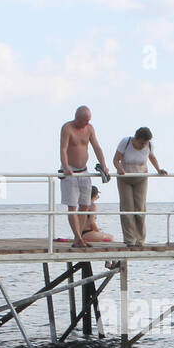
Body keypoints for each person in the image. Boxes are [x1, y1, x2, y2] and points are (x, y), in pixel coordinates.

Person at [59, 105, 109, 248]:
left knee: (85, 205)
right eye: (85, 121)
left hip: (84, 171)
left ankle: (78, 237)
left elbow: (96, 147)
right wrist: (66, 166)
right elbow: (63, 148)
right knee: (72, 206)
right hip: (71, 171)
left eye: (89, 120)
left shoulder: (89, 129)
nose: (87, 123)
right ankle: (78, 238)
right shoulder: (67, 128)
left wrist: (103, 164)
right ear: (77, 118)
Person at [112, 126, 167, 249]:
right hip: (125, 178)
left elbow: (152, 157)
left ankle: (140, 239)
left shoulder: (149, 145)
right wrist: (120, 169)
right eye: (141, 142)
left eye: (145, 143)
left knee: (140, 208)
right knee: (127, 208)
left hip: (141, 177)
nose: (143, 145)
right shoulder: (125, 142)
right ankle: (129, 239)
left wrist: (159, 169)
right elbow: (115, 160)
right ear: (136, 139)